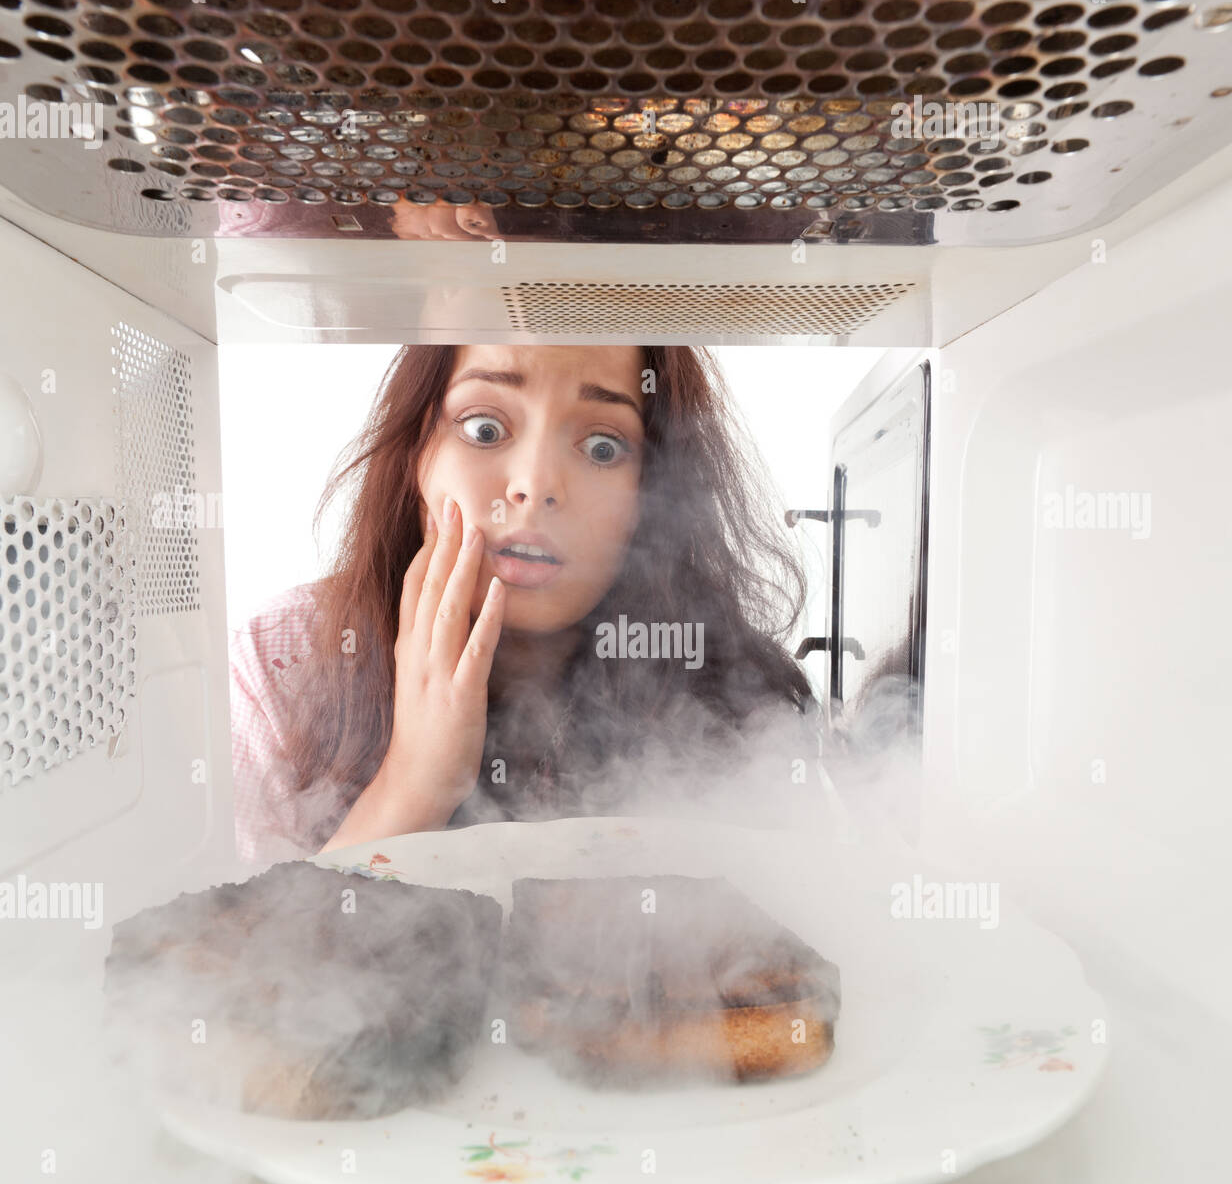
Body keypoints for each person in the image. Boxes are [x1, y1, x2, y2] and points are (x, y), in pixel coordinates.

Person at [228, 344, 814, 865]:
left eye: (604, 447)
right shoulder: (282, 662)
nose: (536, 486)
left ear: (653, 496)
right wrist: (414, 783)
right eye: (484, 429)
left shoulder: (735, 700)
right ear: (416, 456)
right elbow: (250, 979)